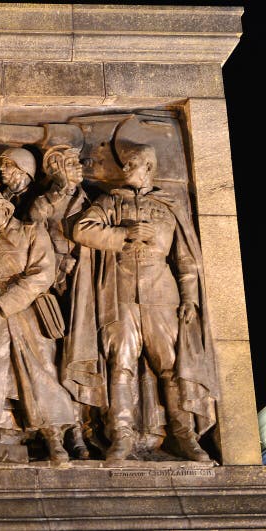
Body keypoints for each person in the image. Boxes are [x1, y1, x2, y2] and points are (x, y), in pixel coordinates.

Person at [72, 144, 215, 461]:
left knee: (171, 366)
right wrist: (123, 233)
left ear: (148, 167)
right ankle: (121, 435)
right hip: (120, 293)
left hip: (161, 294)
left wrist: (189, 299)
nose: (125, 169)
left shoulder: (168, 206)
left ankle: (184, 435)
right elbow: (82, 230)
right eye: (124, 164)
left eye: (131, 164)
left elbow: (186, 260)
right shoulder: (111, 201)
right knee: (120, 363)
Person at [0, 184, 74, 463]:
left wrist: (2, 303)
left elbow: (42, 275)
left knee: (41, 369)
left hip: (30, 309)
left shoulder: (31, 232)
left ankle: (53, 437)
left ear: (5, 209)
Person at [29, 144, 93, 459]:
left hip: (85, 289)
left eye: (78, 161)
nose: (78, 167)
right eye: (70, 163)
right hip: (50, 290)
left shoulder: (90, 200)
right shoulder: (44, 202)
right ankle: (55, 429)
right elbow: (32, 231)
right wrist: (59, 266)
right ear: (55, 169)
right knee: (50, 360)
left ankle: (79, 429)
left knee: (79, 356)